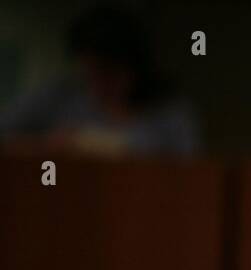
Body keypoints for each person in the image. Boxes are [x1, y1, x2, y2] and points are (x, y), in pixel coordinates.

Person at [0, 4, 199, 157]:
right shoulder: (60, 95)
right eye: (91, 72)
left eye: (110, 72)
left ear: (134, 68)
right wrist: (46, 145)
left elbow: (188, 167)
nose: (100, 83)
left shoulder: (167, 109)